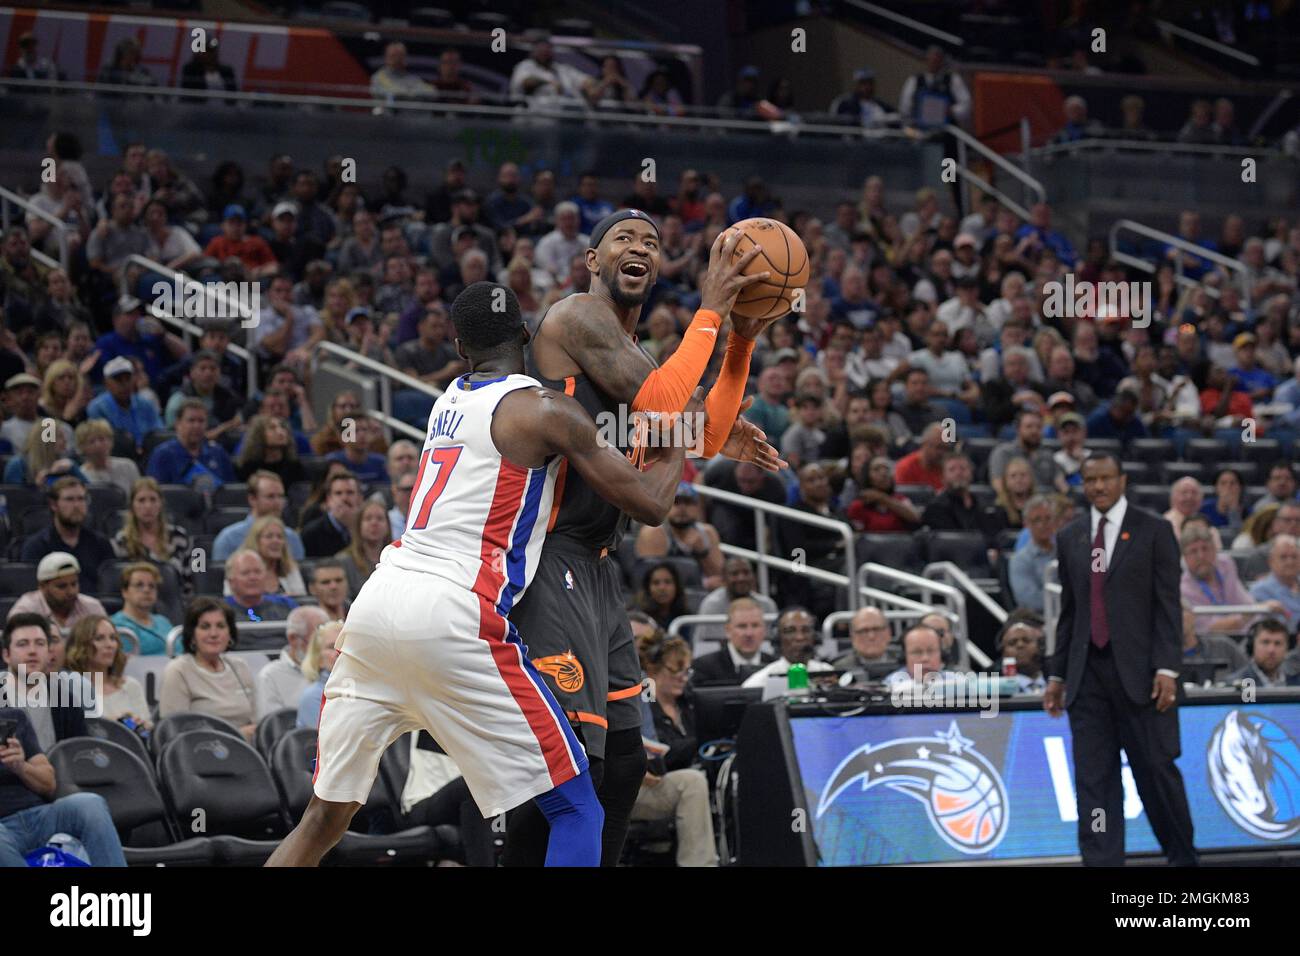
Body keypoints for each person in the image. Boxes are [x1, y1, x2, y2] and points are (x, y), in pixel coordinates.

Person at [267, 281, 696, 869]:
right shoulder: (547, 411)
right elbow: (648, 505)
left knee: (324, 817)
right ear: (524, 335)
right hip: (456, 609)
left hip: (376, 605)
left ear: (459, 348)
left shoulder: (448, 398)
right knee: (577, 810)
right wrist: (674, 445)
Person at [1043, 452, 1197, 867]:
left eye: (1105, 478)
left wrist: (1167, 668)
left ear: (1122, 480)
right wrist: (1057, 674)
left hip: (1143, 676)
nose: (1098, 487)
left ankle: (1183, 858)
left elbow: (1169, 607)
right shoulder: (1071, 536)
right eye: (1090, 480)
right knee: (1094, 784)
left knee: (1156, 775)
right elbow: (1071, 613)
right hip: (1086, 677)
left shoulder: (1154, 531)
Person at [0, 703, 126, 867]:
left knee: (90, 804)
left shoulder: (14, 717)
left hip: (39, 815)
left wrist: (21, 767)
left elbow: (49, 784)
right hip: (3, 826)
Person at [631, 633, 718, 866]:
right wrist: (704, 739)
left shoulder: (689, 701)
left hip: (668, 779)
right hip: (640, 783)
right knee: (693, 781)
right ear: (652, 669)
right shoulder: (641, 698)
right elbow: (663, 754)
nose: (682, 678)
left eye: (687, 671)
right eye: (674, 671)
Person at [159, 598, 257, 741]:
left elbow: (255, 721)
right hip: (201, 754)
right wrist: (237, 735)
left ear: (230, 633)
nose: (214, 633)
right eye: (205, 627)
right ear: (192, 635)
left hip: (247, 751)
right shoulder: (178, 670)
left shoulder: (240, 666)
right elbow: (174, 732)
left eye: (221, 626)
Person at [1179, 521, 1278, 635]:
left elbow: (1244, 602)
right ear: (1184, 558)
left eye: (1205, 548)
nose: (1201, 556)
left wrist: (1252, 612)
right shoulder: (1183, 589)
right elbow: (1210, 628)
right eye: (1193, 551)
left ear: (1215, 550)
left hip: (1245, 634)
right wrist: (1249, 613)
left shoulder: (1225, 564)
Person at [20, 479, 115, 590]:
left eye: (81, 499)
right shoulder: (36, 546)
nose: (76, 505)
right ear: (53, 505)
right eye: (69, 499)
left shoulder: (100, 543)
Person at [634, 483, 724, 590]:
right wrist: (702, 584)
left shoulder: (708, 532)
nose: (682, 508)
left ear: (697, 507)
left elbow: (721, 577)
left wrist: (702, 553)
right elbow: (652, 582)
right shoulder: (654, 533)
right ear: (665, 505)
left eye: (688, 502)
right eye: (676, 502)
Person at [110, 477, 191, 592]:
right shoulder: (122, 540)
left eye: (153, 500)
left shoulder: (179, 536)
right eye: (141, 500)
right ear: (132, 506)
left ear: (161, 504)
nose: (148, 506)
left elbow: (195, 574)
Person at [66, 615, 150, 727]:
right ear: (81, 645)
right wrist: (114, 725)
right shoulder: (69, 691)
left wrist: (135, 724)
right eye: (99, 638)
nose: (109, 645)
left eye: (113, 638)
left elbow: (148, 731)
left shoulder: (131, 686)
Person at [213, 471, 306, 563]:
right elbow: (219, 576)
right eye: (270, 496)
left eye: (281, 496)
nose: (278, 502)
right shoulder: (229, 539)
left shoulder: (292, 538)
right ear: (252, 499)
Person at [8, 552, 107, 635]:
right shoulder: (25, 611)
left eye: (74, 584)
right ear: (42, 587)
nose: (71, 592)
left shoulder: (93, 608)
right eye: (62, 586)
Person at [146, 399, 236, 490]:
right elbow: (155, 493)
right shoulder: (162, 455)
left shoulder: (218, 453)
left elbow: (230, 493)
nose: (196, 426)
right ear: (178, 424)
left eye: (201, 421)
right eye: (191, 421)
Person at [257, 606, 327, 718]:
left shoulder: (333, 670)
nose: (322, 650)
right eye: (317, 642)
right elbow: (274, 727)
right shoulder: (270, 676)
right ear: (293, 639)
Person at [690, 597, 776, 686]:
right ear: (728, 630)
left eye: (755, 626)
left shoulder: (775, 666)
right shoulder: (704, 667)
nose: (749, 633)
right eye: (742, 626)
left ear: (764, 630)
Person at [741, 608, 833, 688]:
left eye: (806, 630)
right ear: (778, 637)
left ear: (815, 637)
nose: (799, 637)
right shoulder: (759, 682)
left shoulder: (829, 674)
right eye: (790, 631)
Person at [694, 558, 778, 645]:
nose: (741, 578)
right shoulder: (711, 605)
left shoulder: (767, 605)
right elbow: (706, 646)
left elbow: (772, 643)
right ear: (724, 578)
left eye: (746, 573)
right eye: (734, 574)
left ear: (753, 576)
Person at [110, 562, 173, 656]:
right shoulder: (115, 626)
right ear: (125, 592)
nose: (146, 590)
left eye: (152, 586)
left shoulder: (164, 622)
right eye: (139, 585)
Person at [231, 516, 304, 597]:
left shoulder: (290, 569)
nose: (276, 541)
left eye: (280, 537)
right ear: (256, 541)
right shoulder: (238, 567)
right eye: (269, 536)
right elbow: (231, 601)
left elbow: (299, 601)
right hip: (250, 610)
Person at [846, 455, 920, 533]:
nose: (883, 473)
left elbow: (915, 518)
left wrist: (882, 498)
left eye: (887, 469)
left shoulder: (900, 499)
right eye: (876, 469)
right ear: (867, 475)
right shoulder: (858, 506)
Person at [1008, 494, 1056, 612]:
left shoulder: (1066, 552)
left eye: (1048, 518)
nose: (1043, 524)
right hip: (1038, 621)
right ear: (1027, 524)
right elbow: (1030, 601)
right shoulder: (1020, 560)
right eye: (1037, 520)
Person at [224, 549, 298, 624]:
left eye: (258, 572)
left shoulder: (286, 605)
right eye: (245, 573)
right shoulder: (221, 610)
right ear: (231, 581)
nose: (253, 577)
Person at [335, 499, 390, 599]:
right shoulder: (343, 561)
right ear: (358, 526)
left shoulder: (397, 558)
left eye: (380, 519)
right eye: (368, 519)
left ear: (388, 526)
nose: (374, 523)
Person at [295, 620, 343, 729]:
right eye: (332, 647)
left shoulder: (366, 688)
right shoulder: (313, 697)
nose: (340, 652)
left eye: (345, 644)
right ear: (319, 659)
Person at [301, 472, 362, 558]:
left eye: (350, 492)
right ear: (328, 500)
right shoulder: (311, 534)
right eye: (338, 493)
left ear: (360, 498)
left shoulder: (369, 530)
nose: (344, 498)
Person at [1226, 619, 1300, 688]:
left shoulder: (1296, 684)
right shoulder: (1233, 685)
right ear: (1252, 646)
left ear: (1287, 649)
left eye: (1278, 643)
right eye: (1265, 642)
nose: (1271, 650)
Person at [74, 419, 140, 495]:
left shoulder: (128, 466)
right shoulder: (81, 475)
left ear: (111, 441)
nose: (98, 445)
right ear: (82, 447)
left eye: (102, 439)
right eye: (91, 441)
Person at [236, 414, 305, 486]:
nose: (280, 432)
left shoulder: (295, 467)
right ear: (259, 435)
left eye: (282, 427)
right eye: (272, 428)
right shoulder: (247, 468)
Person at [883, 624, 962, 687]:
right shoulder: (890, 686)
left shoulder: (958, 683)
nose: (925, 658)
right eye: (917, 652)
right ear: (904, 656)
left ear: (941, 654)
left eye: (931, 651)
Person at [833, 606, 898, 680]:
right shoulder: (840, 668)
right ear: (852, 636)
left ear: (888, 633)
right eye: (863, 631)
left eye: (877, 629)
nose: (871, 636)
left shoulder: (904, 662)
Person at [1250, 535, 1300, 627]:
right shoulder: (1259, 590)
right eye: (1283, 557)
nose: (1290, 562)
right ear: (1271, 561)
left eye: (1294, 557)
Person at [997, 612, 1047, 693]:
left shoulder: (1061, 679)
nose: (1020, 645)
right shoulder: (991, 688)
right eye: (1012, 642)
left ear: (1041, 646)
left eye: (1026, 640)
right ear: (1003, 652)